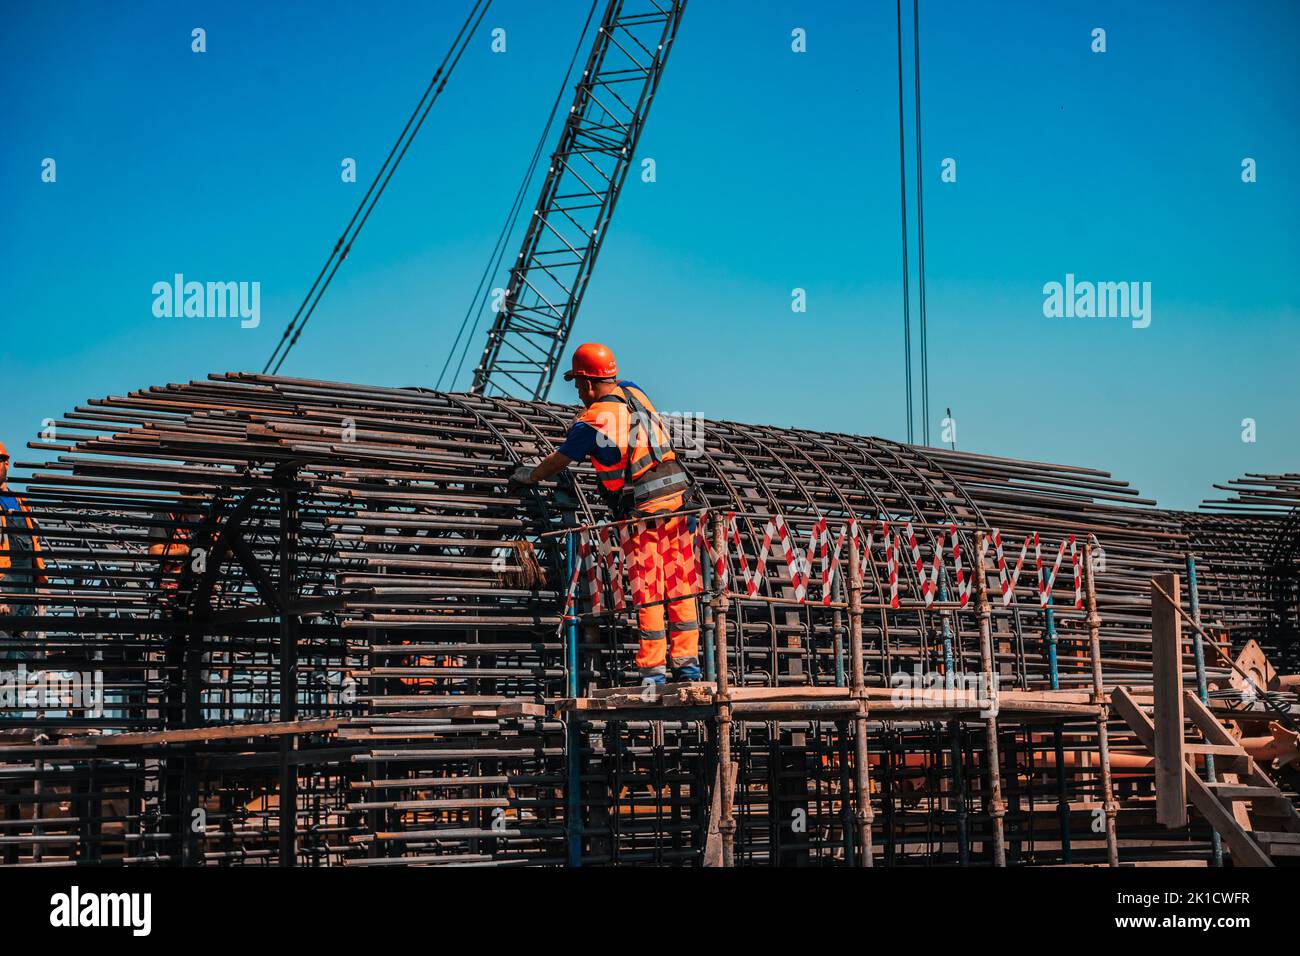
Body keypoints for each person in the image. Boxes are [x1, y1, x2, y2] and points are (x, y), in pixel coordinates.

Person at [511, 343, 701, 686]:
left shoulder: (592, 420)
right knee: (680, 585)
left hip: (644, 509)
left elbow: (560, 460)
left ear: (585, 383)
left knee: (650, 590)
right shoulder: (635, 393)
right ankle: (688, 669)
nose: (578, 393)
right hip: (680, 501)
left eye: (578, 385)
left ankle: (653, 674)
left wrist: (532, 475)